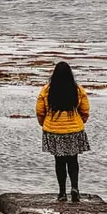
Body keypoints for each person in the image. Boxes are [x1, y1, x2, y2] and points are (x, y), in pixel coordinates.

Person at [36, 61, 90, 203]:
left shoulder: (47, 90)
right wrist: (80, 122)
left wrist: (44, 123)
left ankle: (62, 193)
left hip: (54, 130)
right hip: (74, 130)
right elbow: (85, 110)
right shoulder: (78, 90)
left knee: (59, 161)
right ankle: (75, 188)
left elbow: (40, 111)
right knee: (73, 160)